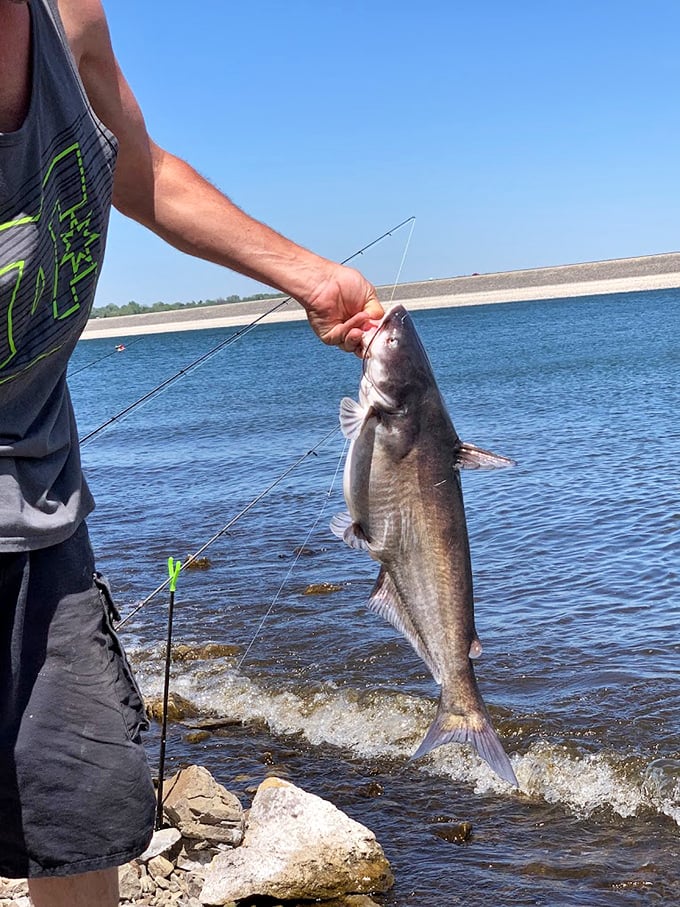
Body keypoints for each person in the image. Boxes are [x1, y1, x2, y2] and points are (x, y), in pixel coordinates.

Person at [0, 1, 384, 904]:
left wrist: (311, 276)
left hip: (43, 501)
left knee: (82, 810)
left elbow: (140, 166)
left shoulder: (69, 20)